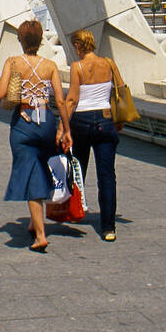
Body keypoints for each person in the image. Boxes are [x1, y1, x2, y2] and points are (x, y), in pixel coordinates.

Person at [0, 19, 71, 252]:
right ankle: (35, 221)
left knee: (30, 175)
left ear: (20, 39)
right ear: (40, 41)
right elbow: (59, 99)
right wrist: (66, 129)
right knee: (41, 168)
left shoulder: (13, 62)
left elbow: (0, 92)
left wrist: (19, 94)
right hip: (46, 121)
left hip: (23, 123)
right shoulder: (50, 65)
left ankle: (40, 234)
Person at [65, 29, 121, 241]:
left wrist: (63, 127)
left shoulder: (77, 67)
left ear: (78, 46)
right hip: (106, 120)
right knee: (107, 176)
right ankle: (108, 228)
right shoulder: (108, 63)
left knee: (77, 169)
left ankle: (74, 212)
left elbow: (72, 99)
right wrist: (119, 120)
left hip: (81, 122)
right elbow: (120, 90)